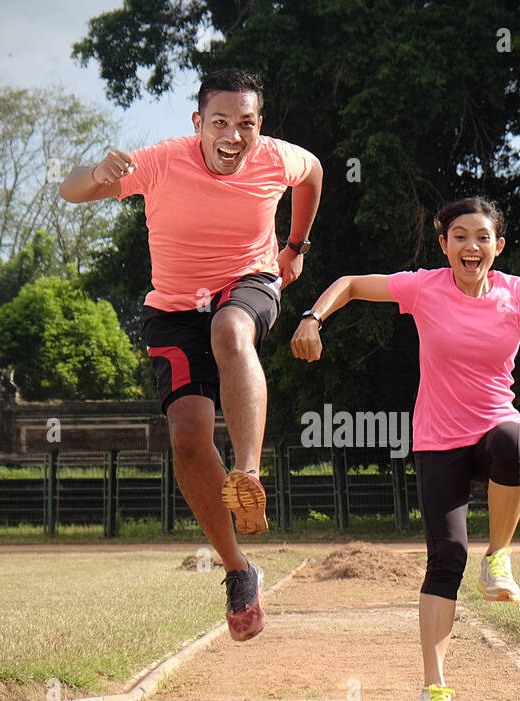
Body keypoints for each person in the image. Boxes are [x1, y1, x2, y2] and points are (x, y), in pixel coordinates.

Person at [291, 197, 520, 701]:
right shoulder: (424, 287)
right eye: (459, 236)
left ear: (497, 247)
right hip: (437, 442)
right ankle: (435, 693)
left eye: (481, 236)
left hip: (491, 429)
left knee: (512, 440)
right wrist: (313, 316)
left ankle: (499, 555)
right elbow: (353, 283)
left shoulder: (517, 296)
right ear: (444, 246)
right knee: (447, 557)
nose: (470, 246)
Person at [61, 68, 323, 642]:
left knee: (232, 331)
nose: (234, 137)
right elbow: (71, 189)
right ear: (197, 123)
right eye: (221, 123)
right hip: (175, 307)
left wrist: (296, 246)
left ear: (261, 126)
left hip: (247, 280)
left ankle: (248, 475)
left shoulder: (277, 159)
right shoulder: (159, 161)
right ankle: (238, 570)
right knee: (187, 432)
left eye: (247, 125)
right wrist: (95, 174)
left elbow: (315, 175)